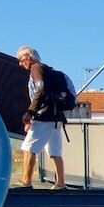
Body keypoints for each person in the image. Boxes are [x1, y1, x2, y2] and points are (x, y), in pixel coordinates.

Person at [15, 46, 69, 189]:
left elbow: (41, 89)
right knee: (54, 151)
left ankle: (26, 181)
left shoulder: (36, 69)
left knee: (28, 147)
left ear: (29, 58)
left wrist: (30, 112)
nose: (21, 64)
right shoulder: (48, 70)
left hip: (44, 116)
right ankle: (60, 183)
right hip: (56, 117)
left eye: (21, 60)